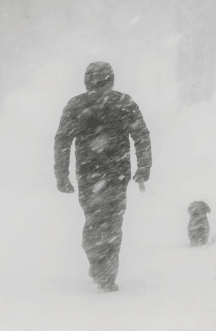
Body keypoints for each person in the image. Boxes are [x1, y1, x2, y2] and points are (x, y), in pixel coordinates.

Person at [54, 61, 151, 292]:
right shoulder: (124, 103)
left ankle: (98, 261)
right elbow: (141, 135)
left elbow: (63, 141)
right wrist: (143, 167)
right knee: (113, 223)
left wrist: (62, 175)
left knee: (94, 219)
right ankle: (106, 269)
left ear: (86, 80)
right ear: (112, 79)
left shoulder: (77, 105)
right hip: (118, 175)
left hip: (88, 175)